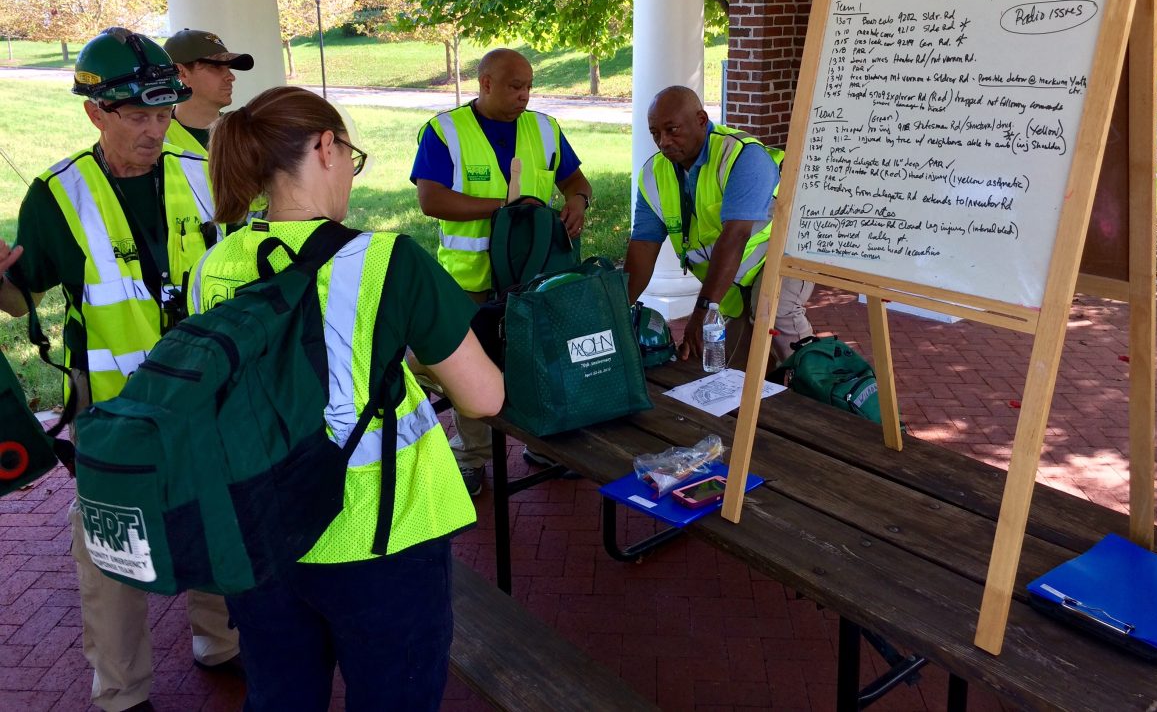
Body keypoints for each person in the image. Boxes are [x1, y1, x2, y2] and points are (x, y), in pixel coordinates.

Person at [192, 85, 503, 711]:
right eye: (352, 159)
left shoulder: (213, 266)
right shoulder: (387, 260)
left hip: (259, 539)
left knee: (280, 698)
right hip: (379, 542)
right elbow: (484, 398)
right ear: (326, 147)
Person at [0, 28, 238, 712]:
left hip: (205, 399)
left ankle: (219, 642)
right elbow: (24, 300)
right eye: (137, 117)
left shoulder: (203, 173)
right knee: (111, 555)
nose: (155, 130)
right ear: (94, 113)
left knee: (212, 518)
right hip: (112, 413)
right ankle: (122, 692)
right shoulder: (57, 196)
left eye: (164, 115)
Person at [410, 47, 592, 495]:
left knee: (539, 361)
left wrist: (578, 201)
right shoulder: (445, 130)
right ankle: (472, 458)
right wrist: (505, 210)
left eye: (529, 86)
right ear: (485, 83)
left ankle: (541, 442)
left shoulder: (544, 128)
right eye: (515, 86)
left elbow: (575, 180)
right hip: (470, 281)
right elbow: (431, 200)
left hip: (535, 278)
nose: (525, 96)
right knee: (469, 368)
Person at [624, 85, 814, 369]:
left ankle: (824, 394)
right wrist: (617, 312)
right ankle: (772, 399)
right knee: (740, 372)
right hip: (732, 283)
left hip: (781, 255)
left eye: (672, 129)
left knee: (775, 315)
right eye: (655, 133)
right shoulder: (653, 174)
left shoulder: (742, 156)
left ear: (701, 120)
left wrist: (701, 312)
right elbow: (642, 248)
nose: (663, 141)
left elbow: (735, 236)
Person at [162, 28, 255, 154]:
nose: (231, 77)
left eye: (228, 67)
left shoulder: (247, 132)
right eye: (216, 66)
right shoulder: (157, 140)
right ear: (182, 74)